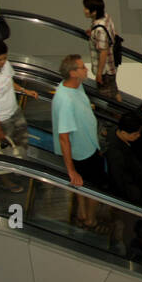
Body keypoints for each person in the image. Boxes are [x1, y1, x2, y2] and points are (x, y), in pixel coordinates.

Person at [52, 54, 106, 230]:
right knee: (94, 187)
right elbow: (63, 137)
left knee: (82, 184)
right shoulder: (65, 100)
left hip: (87, 146)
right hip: (83, 153)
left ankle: (82, 212)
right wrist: (71, 170)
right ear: (73, 73)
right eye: (82, 67)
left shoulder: (74, 86)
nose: (86, 69)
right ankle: (90, 220)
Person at [0, 40, 35, 190]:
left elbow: (10, 82)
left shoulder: (5, 65)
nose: (2, 62)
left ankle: (20, 170)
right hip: (0, 120)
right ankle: (5, 182)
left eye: (4, 58)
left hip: (14, 111)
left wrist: (25, 90)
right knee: (1, 152)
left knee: (22, 142)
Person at [107, 112, 142, 258]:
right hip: (128, 199)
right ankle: (129, 254)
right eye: (135, 134)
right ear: (124, 132)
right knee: (127, 225)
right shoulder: (116, 154)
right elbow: (124, 183)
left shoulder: (117, 135)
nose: (138, 136)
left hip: (137, 188)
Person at [83, 0, 119, 100]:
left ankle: (115, 116)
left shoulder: (99, 30)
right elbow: (113, 33)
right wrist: (92, 32)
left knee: (107, 99)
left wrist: (99, 73)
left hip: (105, 71)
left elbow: (103, 52)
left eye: (86, 8)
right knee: (114, 92)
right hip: (112, 64)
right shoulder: (105, 17)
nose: (84, 10)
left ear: (93, 12)